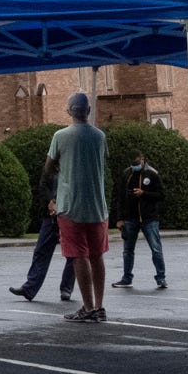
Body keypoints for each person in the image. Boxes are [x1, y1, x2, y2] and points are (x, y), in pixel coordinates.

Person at [44, 93, 110, 322]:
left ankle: (88, 306)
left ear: (69, 111)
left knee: (78, 256)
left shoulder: (60, 136)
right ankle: (100, 306)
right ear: (88, 111)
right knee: (97, 255)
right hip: (97, 206)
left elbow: (48, 168)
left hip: (70, 205)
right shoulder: (100, 137)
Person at [9, 154, 77, 304]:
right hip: (50, 216)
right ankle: (29, 288)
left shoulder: (73, 169)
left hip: (67, 215)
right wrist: (50, 202)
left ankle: (66, 288)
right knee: (41, 251)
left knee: (73, 254)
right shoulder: (49, 170)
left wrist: (60, 203)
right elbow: (43, 186)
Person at [111, 152, 166, 290]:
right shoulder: (127, 174)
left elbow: (161, 195)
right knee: (127, 250)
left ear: (142, 160)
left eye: (137, 163)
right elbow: (120, 197)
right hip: (130, 218)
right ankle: (126, 278)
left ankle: (161, 278)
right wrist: (119, 219)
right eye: (133, 164)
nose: (135, 166)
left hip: (149, 218)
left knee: (156, 249)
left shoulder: (152, 174)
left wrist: (144, 193)